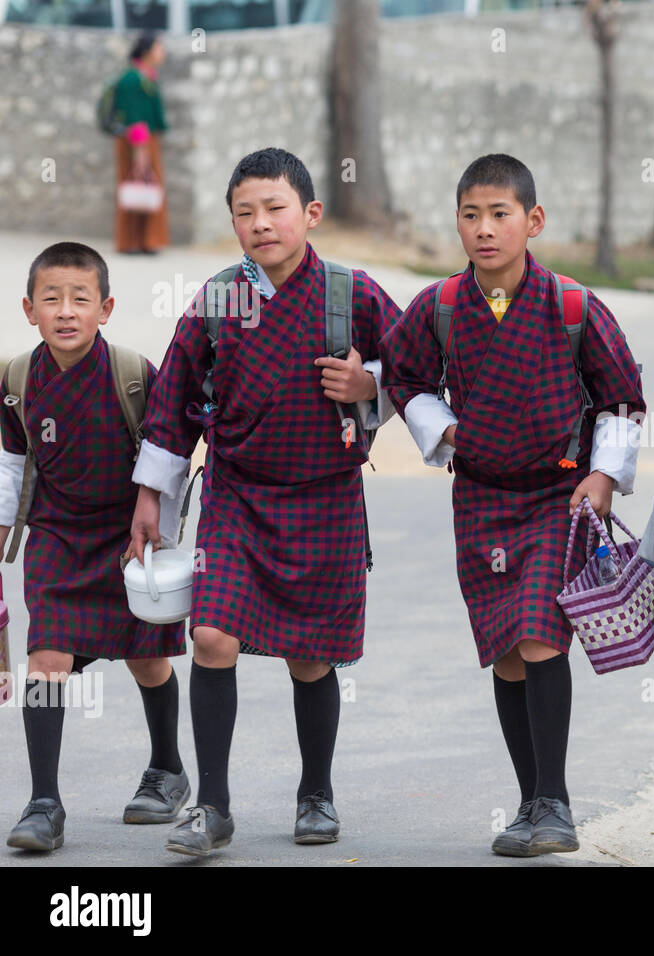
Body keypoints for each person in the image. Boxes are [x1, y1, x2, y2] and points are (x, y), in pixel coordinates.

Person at [128, 148, 401, 857]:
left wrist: (369, 383)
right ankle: (211, 807)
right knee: (212, 638)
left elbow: (419, 368)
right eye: (244, 212)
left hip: (326, 497)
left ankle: (317, 792)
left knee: (309, 659)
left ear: (310, 213)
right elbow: (172, 404)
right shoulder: (219, 298)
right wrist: (150, 499)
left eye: (275, 208)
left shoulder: (353, 293)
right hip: (236, 497)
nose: (260, 223)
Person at [381, 154, 644, 858]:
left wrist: (605, 477)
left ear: (534, 221)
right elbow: (403, 375)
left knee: (538, 638)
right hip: (481, 494)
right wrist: (443, 429)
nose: (485, 229)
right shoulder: (438, 306)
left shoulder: (574, 307)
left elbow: (621, 397)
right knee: (505, 653)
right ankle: (529, 800)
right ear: (458, 224)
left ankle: (555, 802)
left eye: (501, 215)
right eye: (472, 215)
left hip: (557, 496)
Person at [3, 242, 188, 852]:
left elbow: (168, 450)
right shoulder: (17, 380)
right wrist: (4, 525)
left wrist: (159, 523)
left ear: (104, 307)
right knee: (46, 663)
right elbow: (10, 462)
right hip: (56, 535)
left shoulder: (132, 372)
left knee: (146, 659)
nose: (65, 311)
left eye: (80, 299)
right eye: (51, 299)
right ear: (29, 309)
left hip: (128, 536)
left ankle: (166, 770)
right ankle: (44, 803)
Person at [111, 33, 169, 255]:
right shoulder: (132, 79)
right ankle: (130, 241)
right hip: (136, 141)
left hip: (147, 139)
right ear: (147, 51)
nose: (161, 53)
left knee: (147, 184)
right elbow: (134, 116)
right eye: (158, 48)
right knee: (134, 181)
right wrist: (140, 151)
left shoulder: (146, 77)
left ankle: (147, 240)